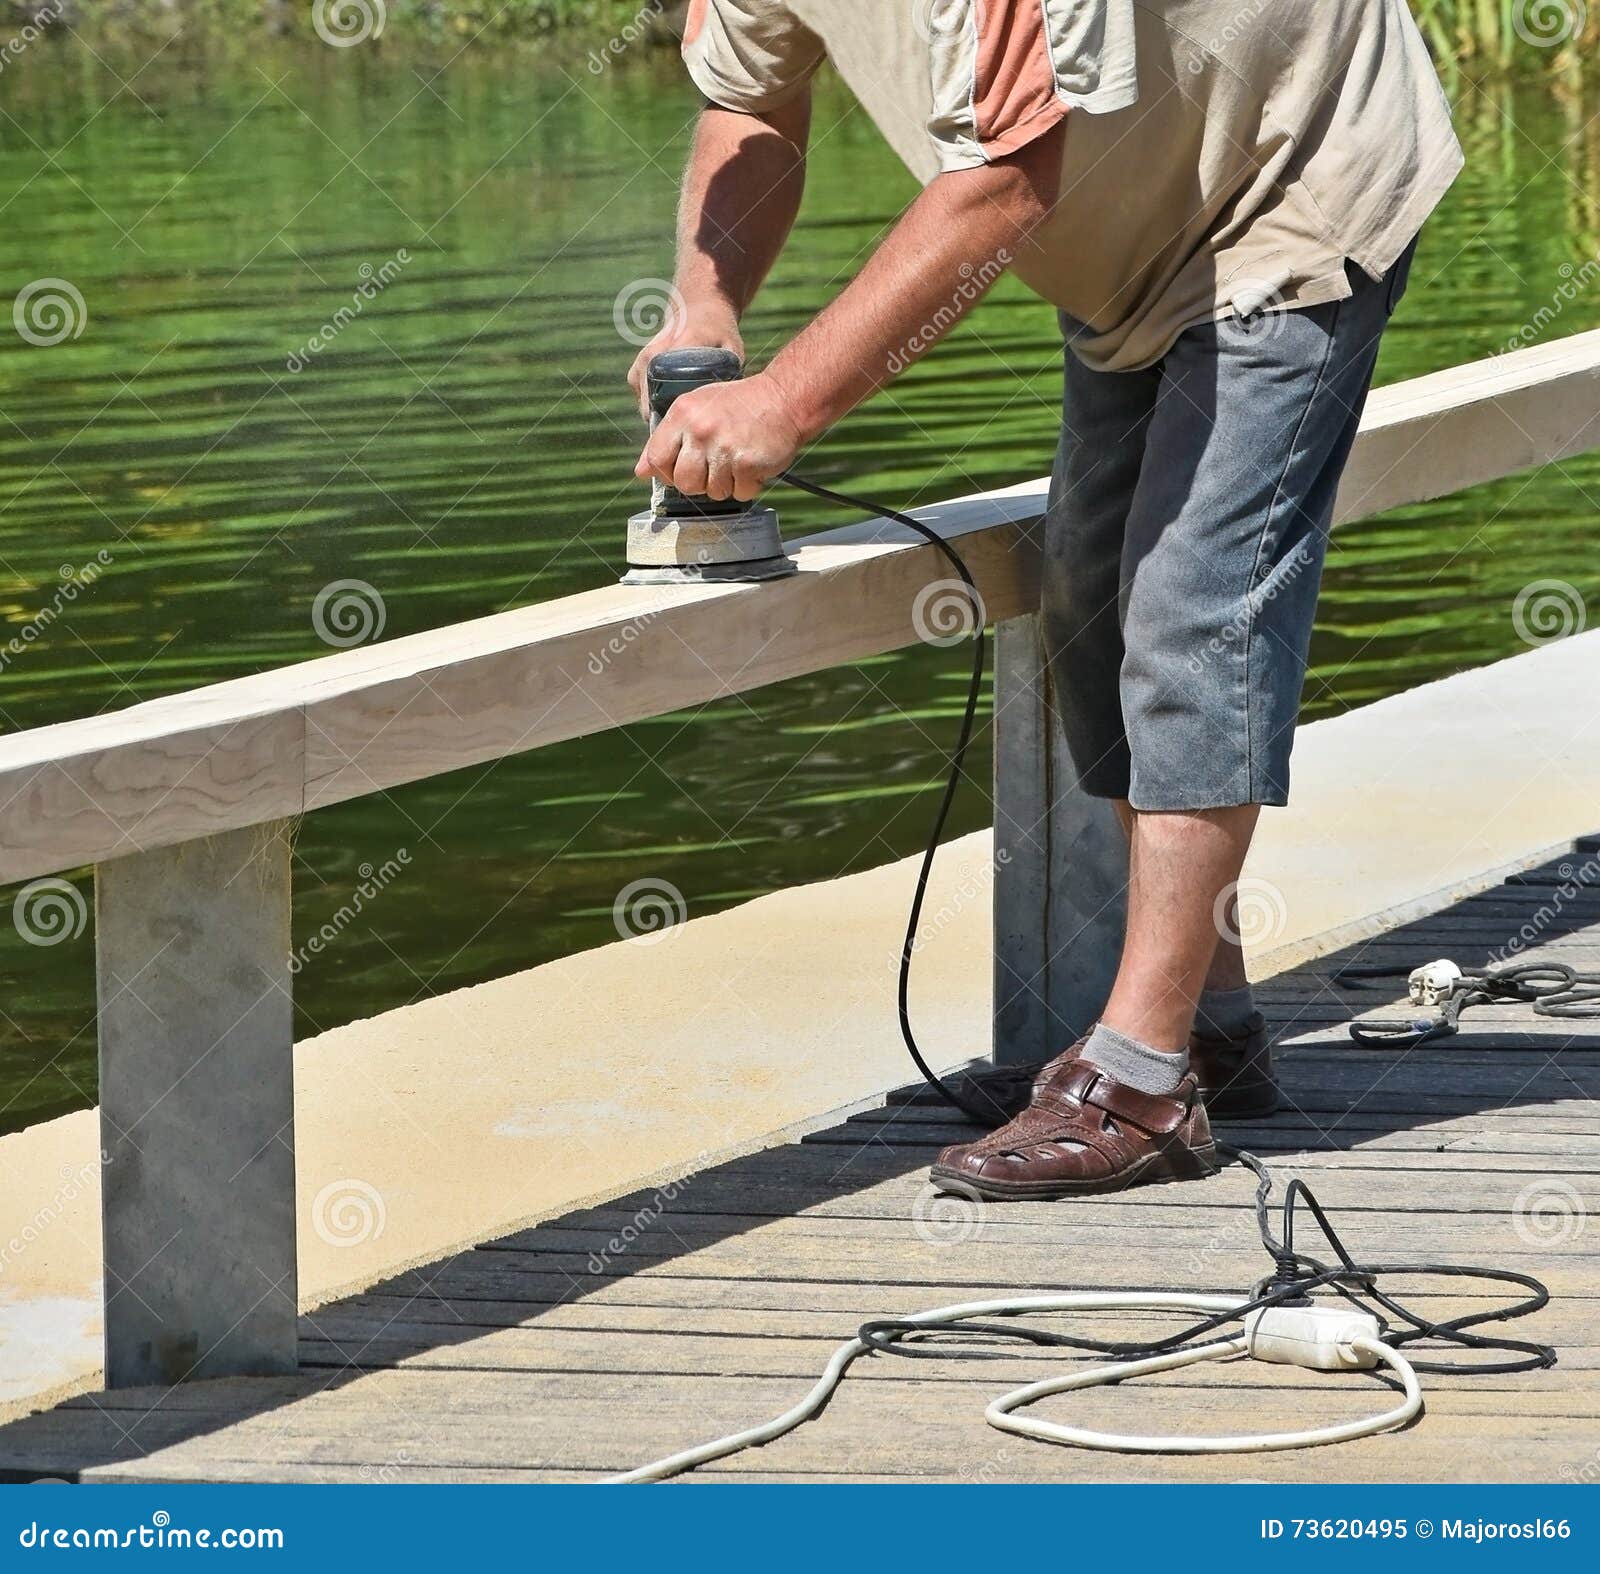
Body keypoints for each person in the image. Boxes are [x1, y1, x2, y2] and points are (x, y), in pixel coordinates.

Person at [632, 1, 1463, 1197]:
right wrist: (704, 308)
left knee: (1192, 612)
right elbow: (751, 97)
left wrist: (784, 402)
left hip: (1292, 177)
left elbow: (1006, 184)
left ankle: (1140, 1081)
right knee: (1088, 606)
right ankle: (1210, 1029)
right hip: (1129, 237)